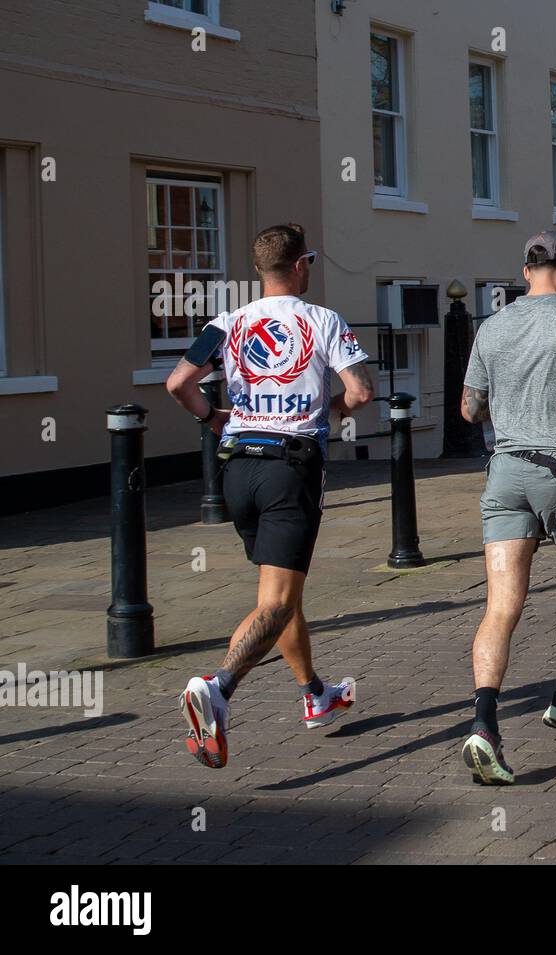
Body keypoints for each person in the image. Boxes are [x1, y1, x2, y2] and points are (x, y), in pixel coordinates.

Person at [166, 223, 375, 769]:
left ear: (259, 270)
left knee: (282, 593)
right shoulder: (322, 320)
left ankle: (314, 694)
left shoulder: (226, 324)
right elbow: (360, 391)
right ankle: (218, 686)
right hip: (289, 468)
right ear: (301, 264)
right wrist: (331, 412)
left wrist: (213, 417)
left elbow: (177, 384)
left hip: (236, 470)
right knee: (276, 602)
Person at [458, 229, 556, 785]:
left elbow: (469, 408)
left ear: (526, 270)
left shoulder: (492, 325)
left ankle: (483, 726)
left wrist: (512, 408)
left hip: (505, 473)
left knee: (501, 607)